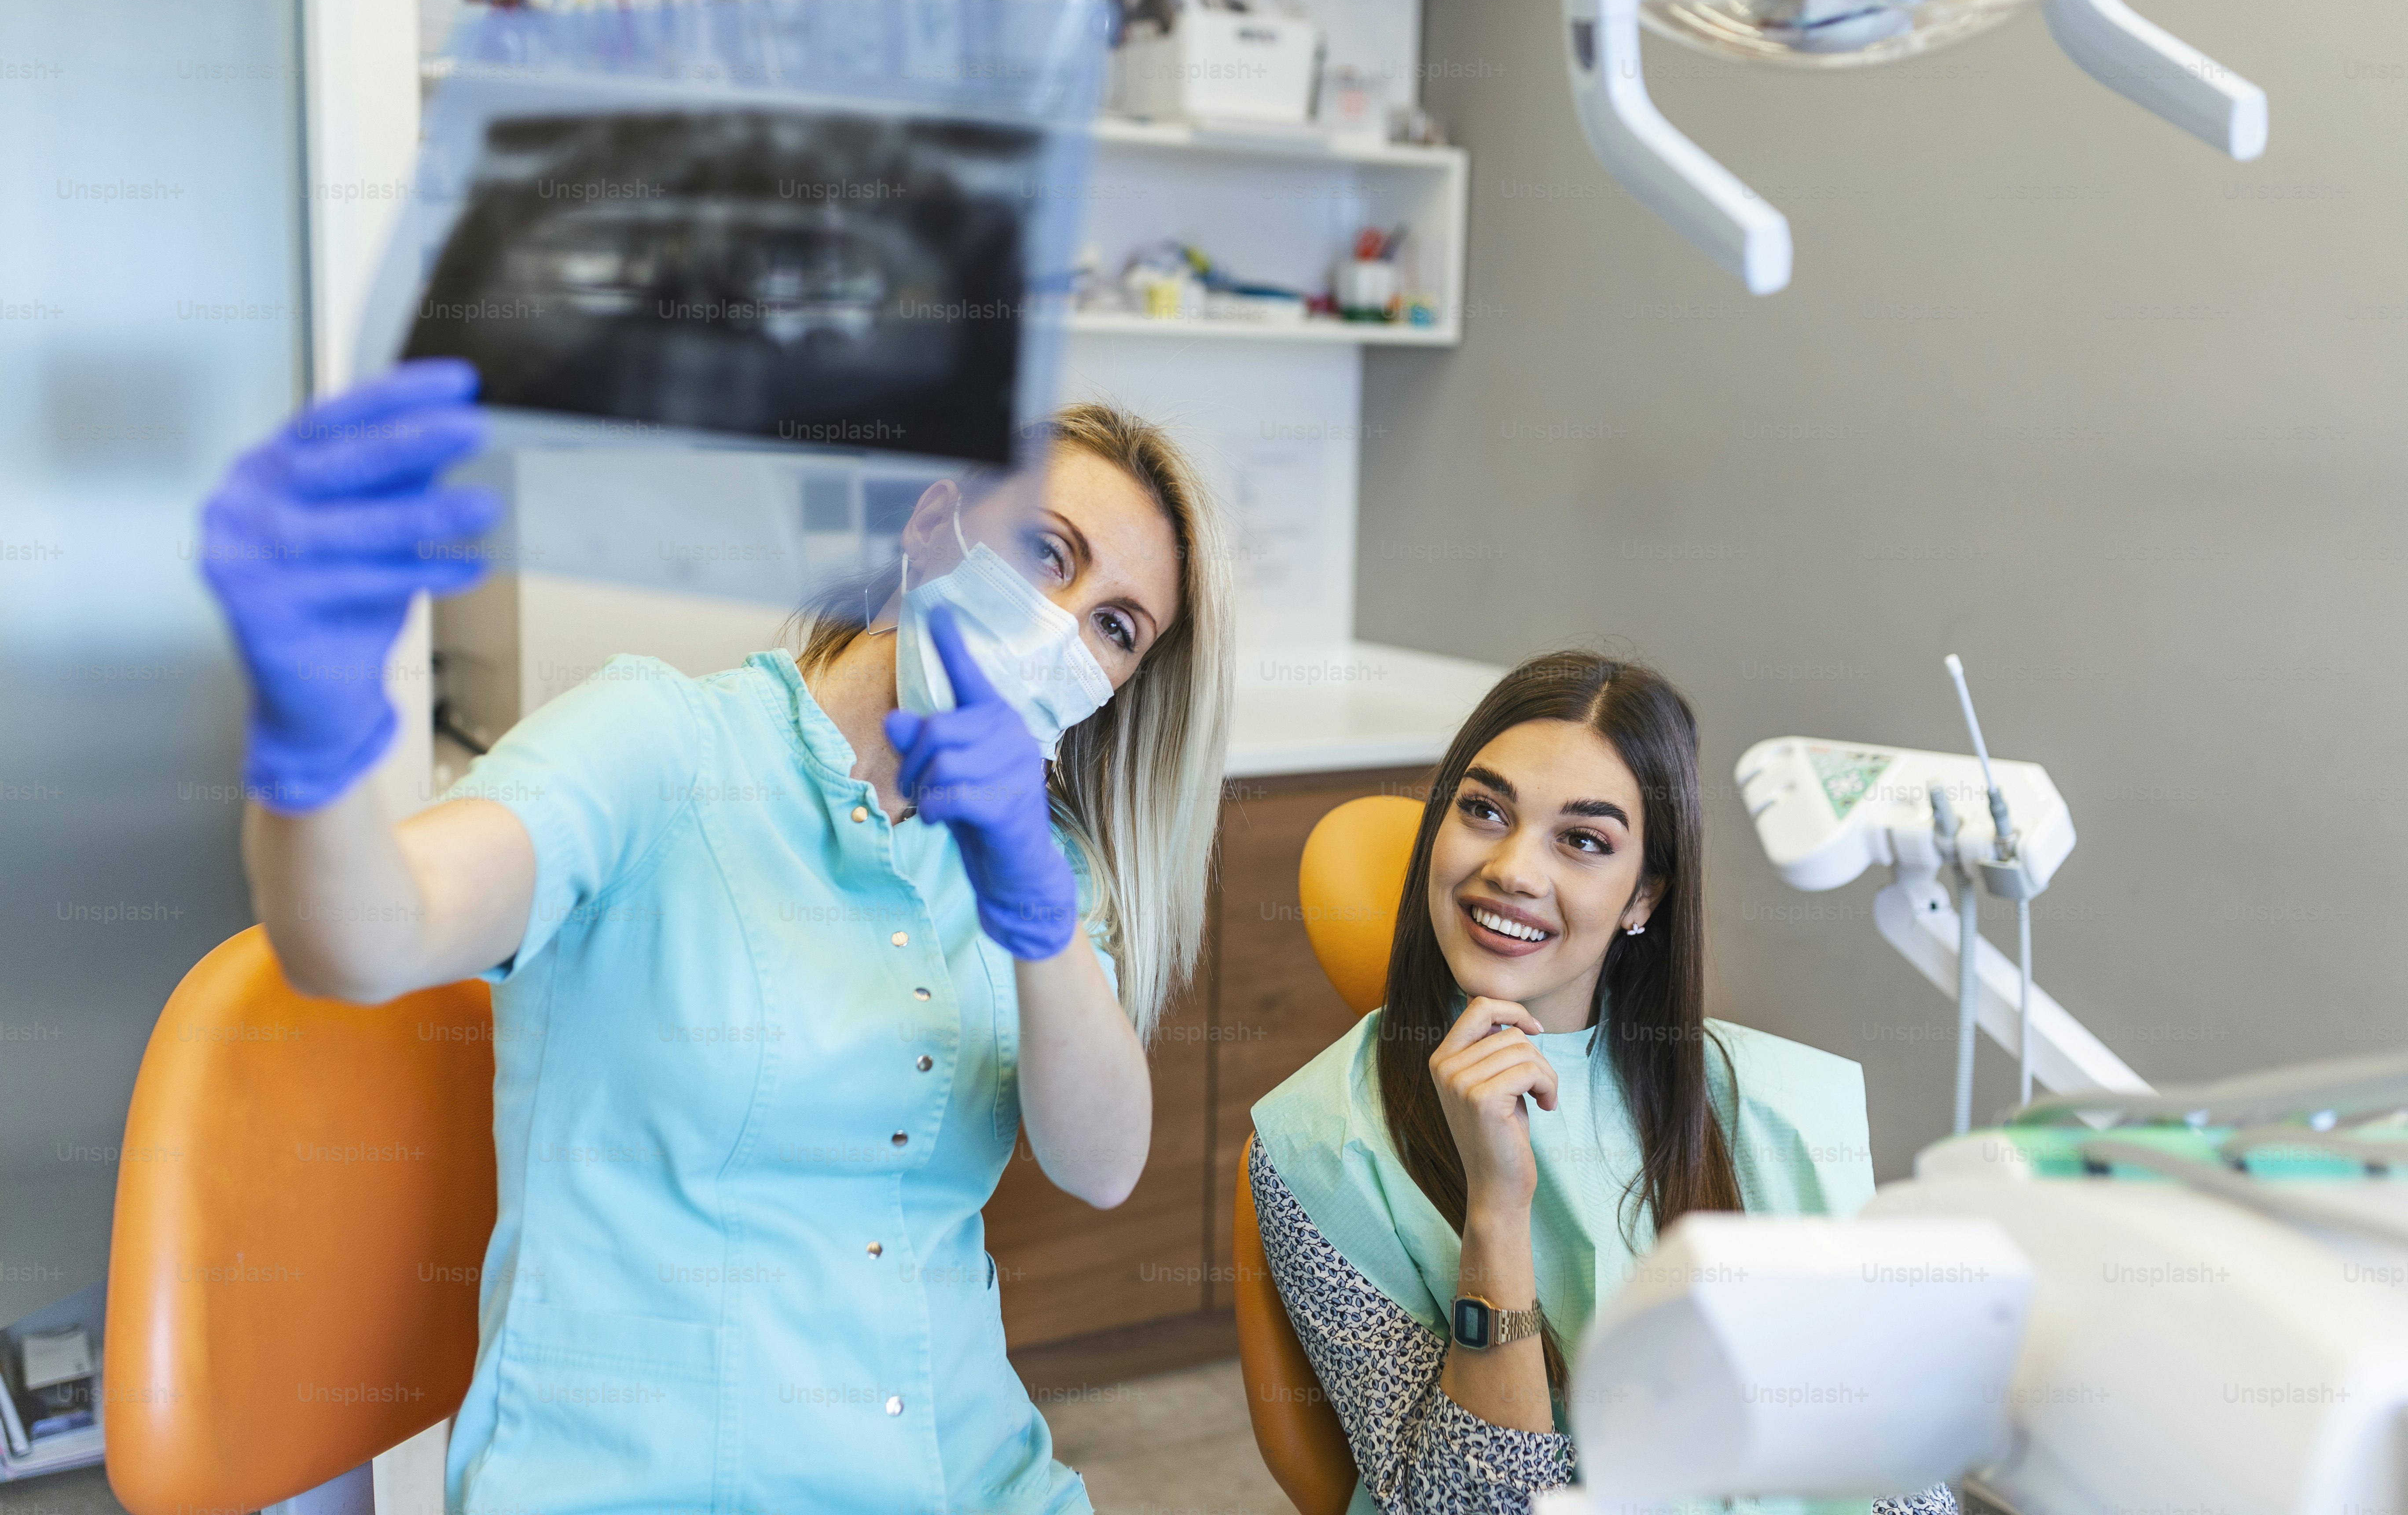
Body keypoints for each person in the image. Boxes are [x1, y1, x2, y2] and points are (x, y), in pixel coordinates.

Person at [197, 359, 1231, 1514]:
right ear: (935, 522)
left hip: (967, 1476)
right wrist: (313, 733)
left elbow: (1101, 1167)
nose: (1060, 628)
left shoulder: (1033, 862)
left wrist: (1037, 912)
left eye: (1116, 628)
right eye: (1048, 551)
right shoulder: (663, 747)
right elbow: (369, 936)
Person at [1248, 650, 1952, 1515]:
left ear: (1644, 897)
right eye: (1483, 810)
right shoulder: (1319, 1145)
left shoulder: (1781, 1109)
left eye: (1583, 840)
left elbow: (1899, 1480)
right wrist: (1495, 1215)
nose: (1514, 869)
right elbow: (1468, 1509)